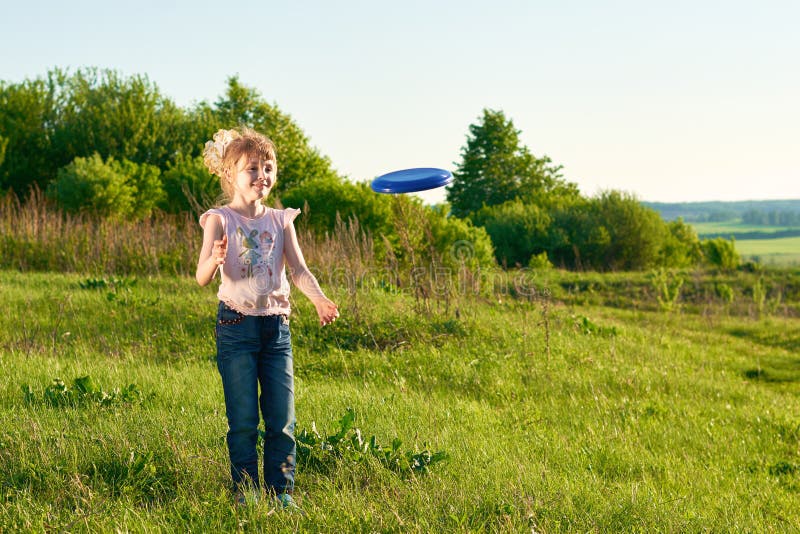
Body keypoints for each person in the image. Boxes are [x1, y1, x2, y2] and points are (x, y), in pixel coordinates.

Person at [196, 128, 339, 509]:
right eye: (252, 168)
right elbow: (201, 276)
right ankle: (245, 489)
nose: (263, 175)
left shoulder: (280, 220)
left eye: (269, 167)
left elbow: (300, 271)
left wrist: (320, 300)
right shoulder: (220, 220)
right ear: (230, 175)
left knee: (282, 419)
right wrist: (214, 258)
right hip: (236, 326)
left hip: (277, 330)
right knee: (243, 419)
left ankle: (281, 492)